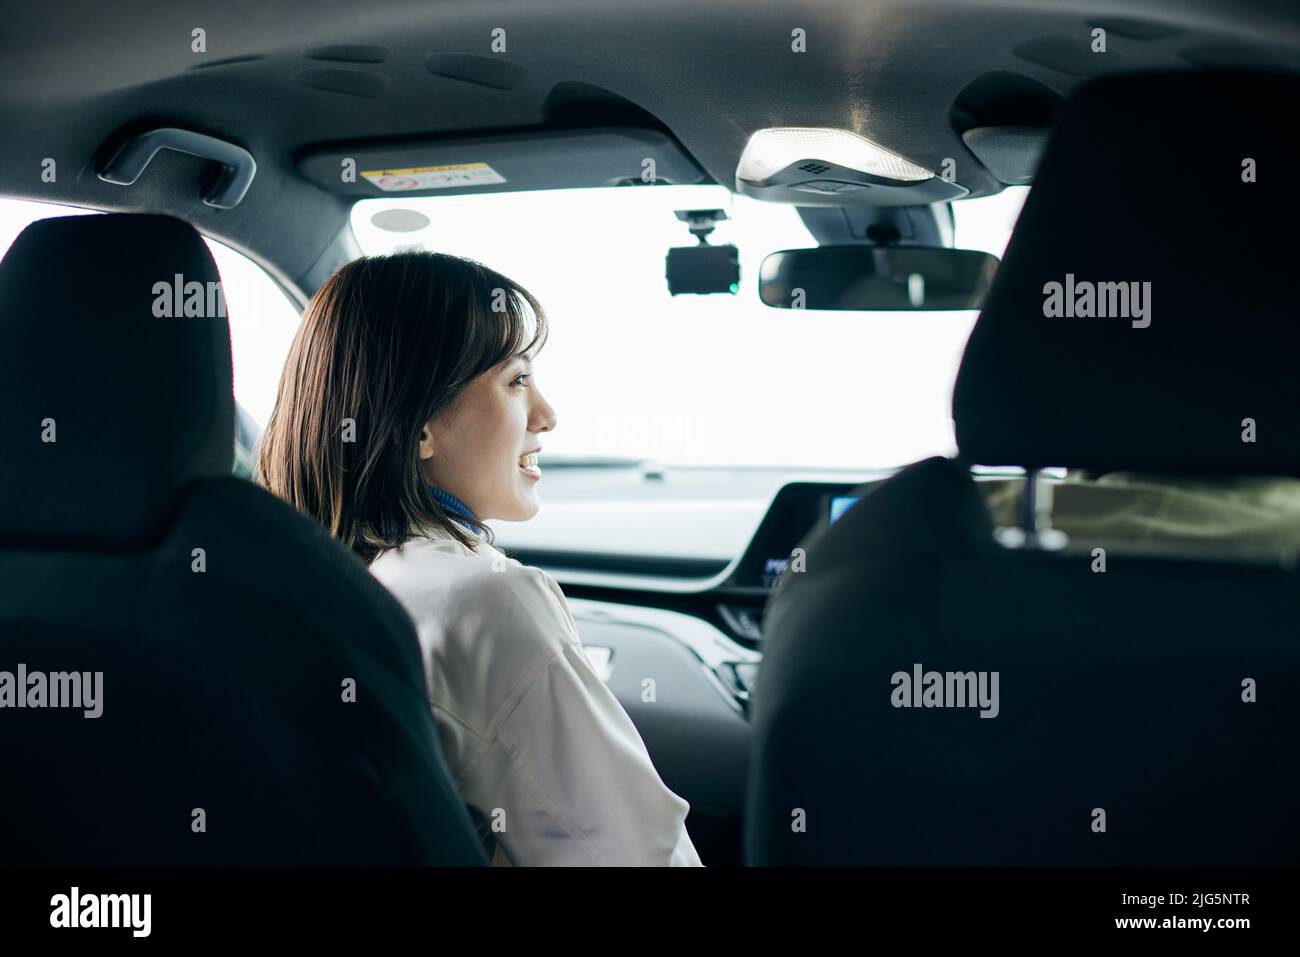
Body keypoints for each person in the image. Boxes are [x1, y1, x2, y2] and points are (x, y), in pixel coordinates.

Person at [257, 251, 702, 867]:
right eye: (516, 380)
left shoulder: (268, 582)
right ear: (419, 428)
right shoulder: (485, 597)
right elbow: (636, 857)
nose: (546, 414)